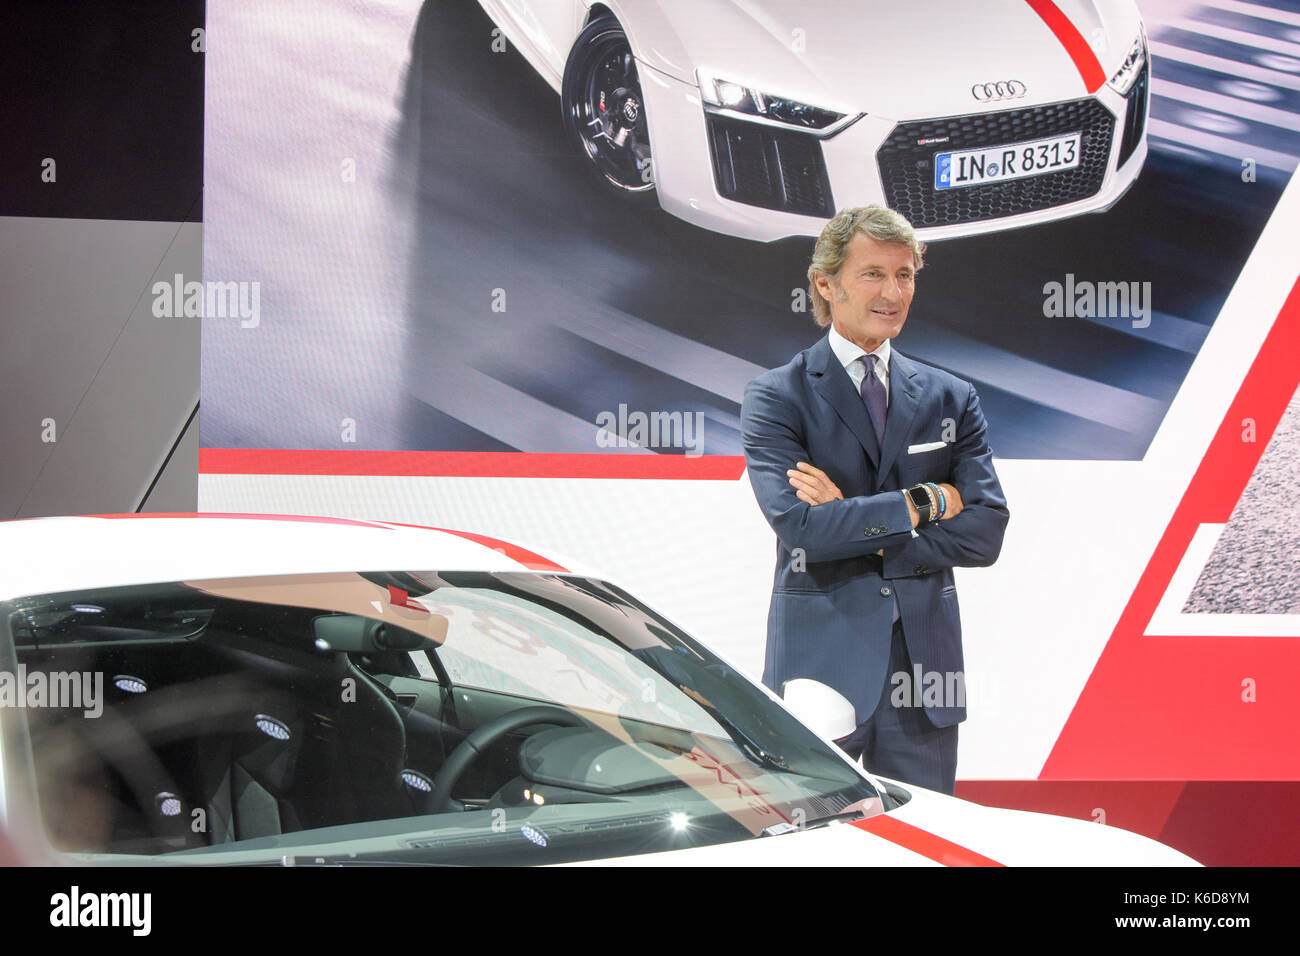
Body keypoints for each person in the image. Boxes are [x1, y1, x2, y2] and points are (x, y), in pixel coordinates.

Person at [741, 205, 1008, 795]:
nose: (894, 292)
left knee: (926, 848)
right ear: (825, 283)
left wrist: (851, 517)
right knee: (813, 848)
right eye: (873, 274)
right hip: (819, 672)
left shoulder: (952, 397)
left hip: (926, 680)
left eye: (905, 274)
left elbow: (986, 531)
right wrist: (924, 502)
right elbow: (803, 527)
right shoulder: (775, 396)